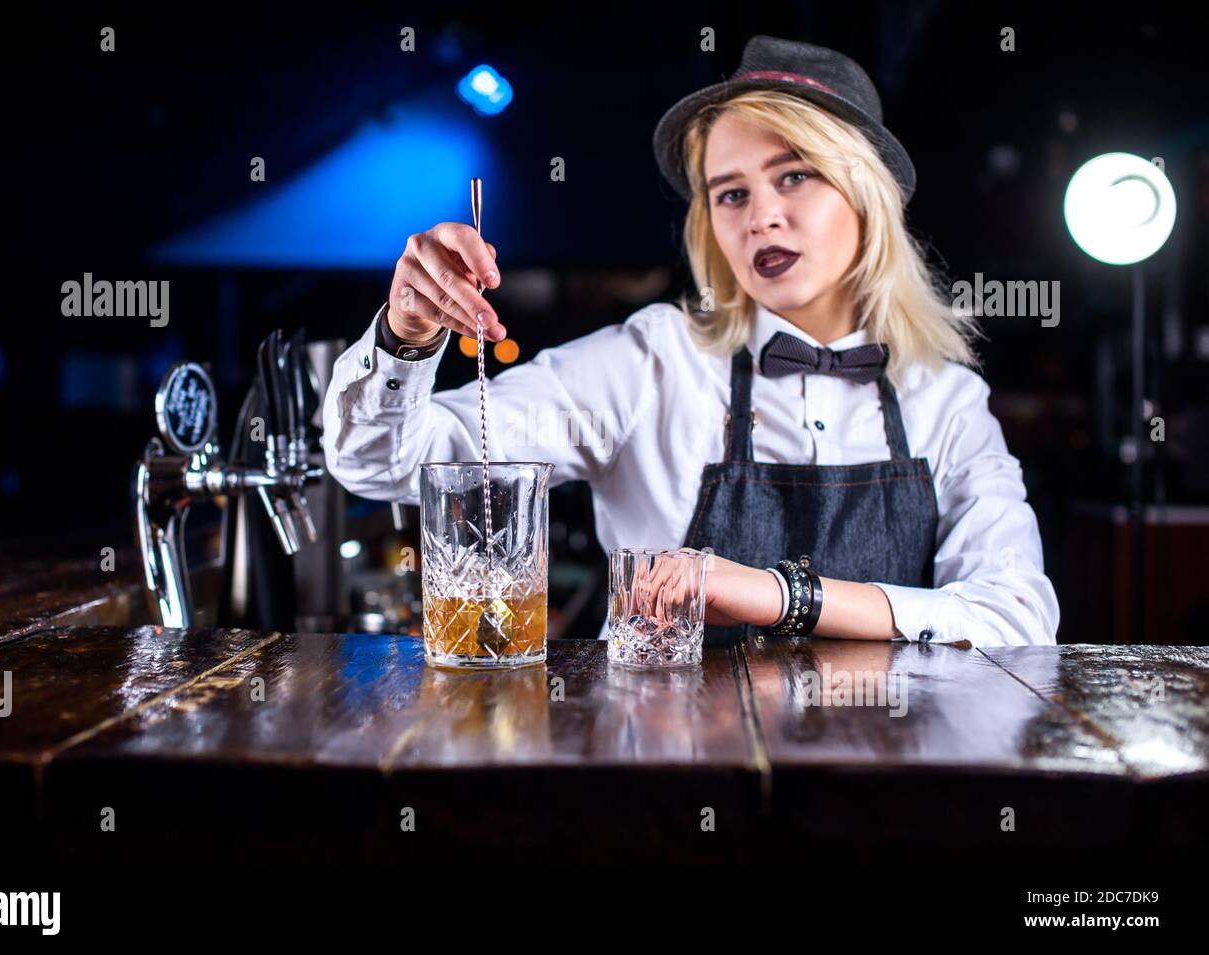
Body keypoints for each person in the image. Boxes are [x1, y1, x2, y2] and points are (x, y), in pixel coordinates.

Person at [322, 35, 1060, 648]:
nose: (760, 217)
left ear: (866, 195)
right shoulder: (651, 365)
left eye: (795, 176)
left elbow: (1019, 617)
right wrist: (405, 334)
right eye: (731, 193)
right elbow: (386, 464)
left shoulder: (945, 400)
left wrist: (777, 593)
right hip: (667, 769)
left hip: (883, 770)